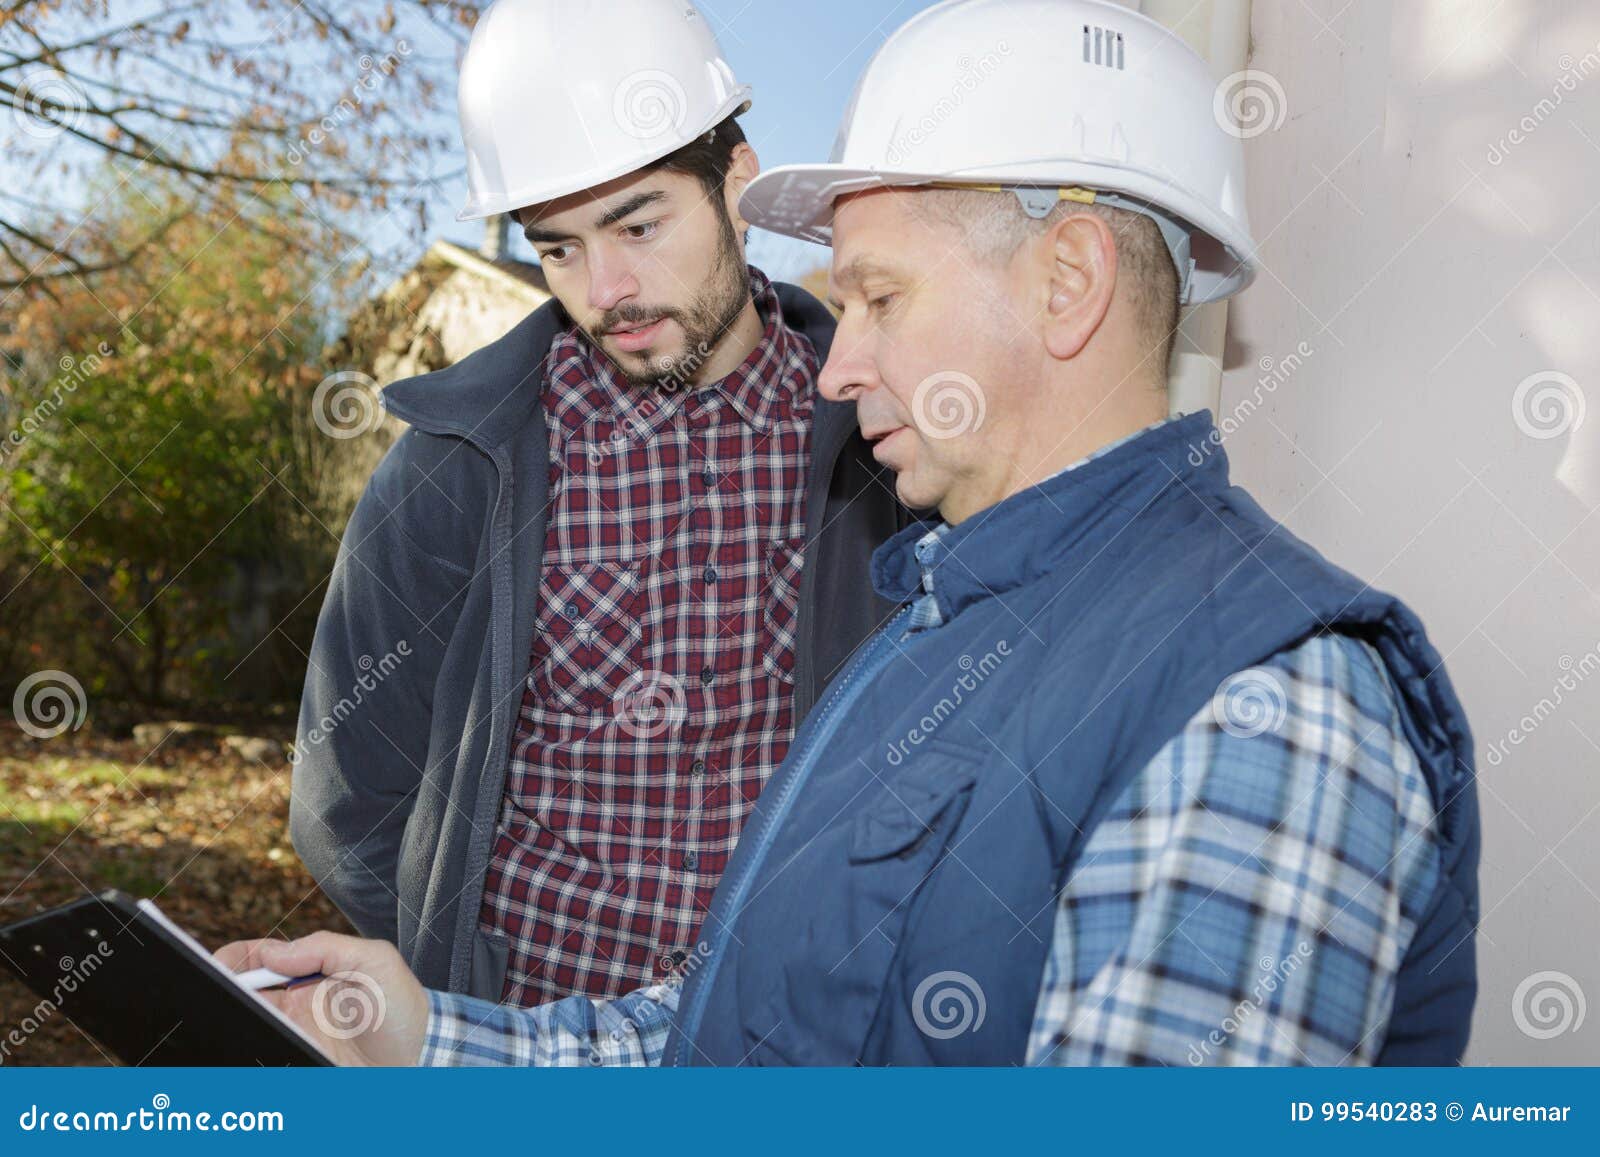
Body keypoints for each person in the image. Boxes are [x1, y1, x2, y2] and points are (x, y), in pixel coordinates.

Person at [234, 0, 1480, 1066]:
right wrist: (433, 1030)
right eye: (559, 246)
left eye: (879, 296)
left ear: (1068, 281)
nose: (844, 368)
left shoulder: (1265, 704)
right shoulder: (939, 623)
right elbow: (752, 1028)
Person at [288, 0, 909, 1011]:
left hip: (789, 1048)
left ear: (736, 181)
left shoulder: (886, 444)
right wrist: (457, 989)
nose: (606, 287)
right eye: (558, 247)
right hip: (518, 1052)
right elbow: (346, 791)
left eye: (638, 224)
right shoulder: (454, 470)